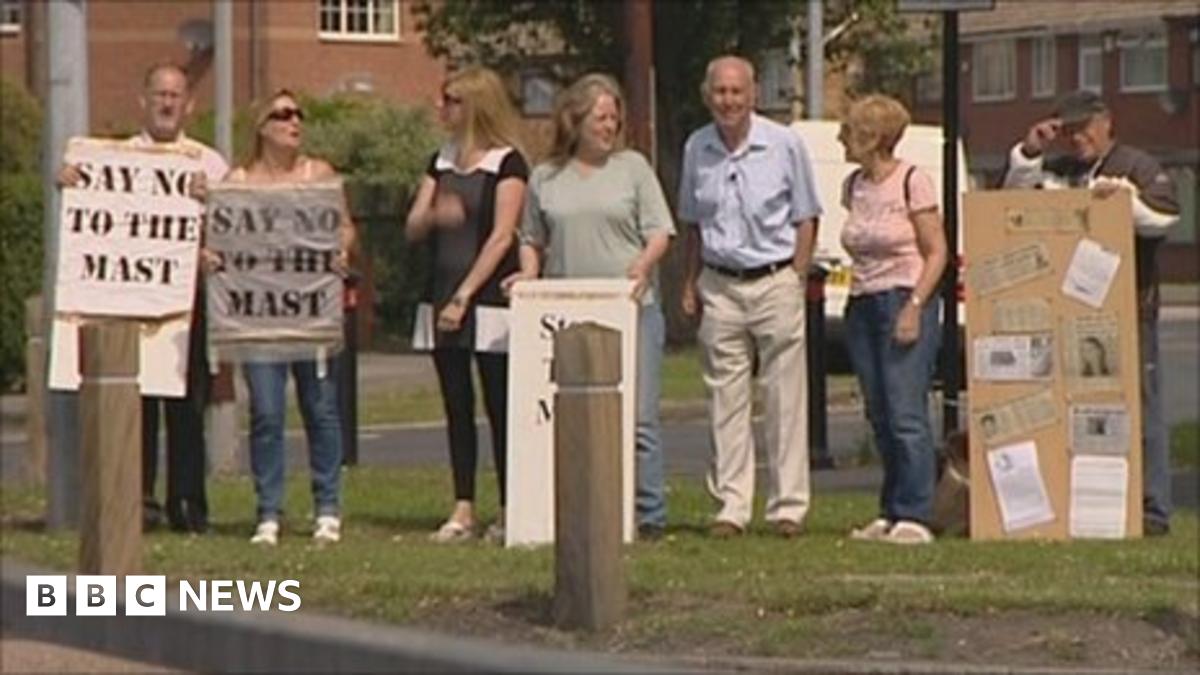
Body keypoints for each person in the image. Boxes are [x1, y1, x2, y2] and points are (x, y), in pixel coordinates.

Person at [58, 62, 228, 534]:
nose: (167, 104)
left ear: (189, 104)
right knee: (136, 407)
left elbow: (232, 232)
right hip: (129, 304)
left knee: (187, 409)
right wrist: (70, 182)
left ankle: (189, 504)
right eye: (159, 95)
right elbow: (91, 218)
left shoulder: (208, 163)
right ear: (143, 100)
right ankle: (138, 503)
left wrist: (210, 202)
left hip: (185, 306)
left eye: (176, 95)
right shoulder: (115, 158)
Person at [1002, 90, 1179, 536]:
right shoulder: (1059, 170)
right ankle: (1085, 502)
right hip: (1066, 313)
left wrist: (1125, 201)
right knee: (1076, 409)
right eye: (1068, 129)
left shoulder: (1135, 165)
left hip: (1130, 310)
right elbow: (1012, 204)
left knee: (1141, 408)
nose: (1077, 138)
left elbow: (1165, 219)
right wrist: (1029, 152)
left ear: (1106, 123)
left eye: (1083, 128)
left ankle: (1153, 508)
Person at [510, 73, 675, 540]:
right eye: (600, 117)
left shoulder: (633, 169)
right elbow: (532, 238)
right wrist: (527, 275)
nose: (609, 126)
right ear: (576, 120)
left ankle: (649, 514)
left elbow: (659, 231)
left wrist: (642, 267)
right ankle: (571, 508)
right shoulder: (546, 176)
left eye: (614, 117)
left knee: (638, 416)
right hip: (568, 309)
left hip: (630, 306)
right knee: (568, 415)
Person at [677, 56, 821, 539]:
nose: (729, 101)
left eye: (737, 92)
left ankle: (787, 507)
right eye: (720, 92)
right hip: (719, 283)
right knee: (725, 400)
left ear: (754, 94)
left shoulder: (783, 145)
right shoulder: (697, 147)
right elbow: (692, 224)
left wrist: (796, 278)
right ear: (706, 95)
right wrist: (689, 283)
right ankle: (731, 507)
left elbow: (806, 217)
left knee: (784, 397)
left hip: (774, 277)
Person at [224, 89, 355, 546]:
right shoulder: (238, 180)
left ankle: (328, 506)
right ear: (262, 126)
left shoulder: (318, 174)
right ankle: (268, 511)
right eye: (282, 114)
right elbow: (219, 239)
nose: (294, 121)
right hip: (260, 318)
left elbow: (344, 225)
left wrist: (341, 250)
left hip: (309, 310)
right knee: (266, 411)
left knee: (320, 407)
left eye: (299, 113)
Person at [405, 67, 527, 543]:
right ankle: (463, 505)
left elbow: (502, 235)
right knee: (456, 403)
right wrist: (434, 213)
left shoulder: (507, 162)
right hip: (440, 290)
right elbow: (414, 224)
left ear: (475, 105)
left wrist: (466, 295)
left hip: (487, 297)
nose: (444, 108)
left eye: (453, 100)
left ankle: (510, 505)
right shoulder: (441, 160)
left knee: (499, 403)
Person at [837, 95, 948, 545]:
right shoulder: (853, 185)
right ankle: (890, 507)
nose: (841, 137)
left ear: (872, 136)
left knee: (906, 410)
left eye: (848, 130)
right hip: (862, 300)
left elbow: (936, 251)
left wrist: (916, 305)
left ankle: (916, 511)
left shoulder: (912, 181)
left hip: (903, 296)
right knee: (879, 412)